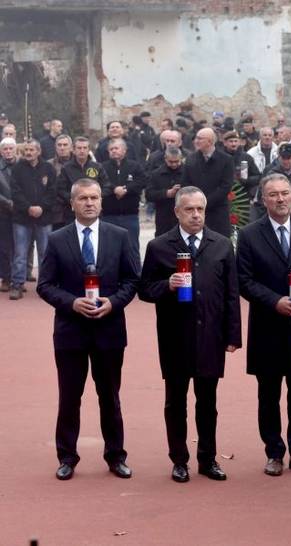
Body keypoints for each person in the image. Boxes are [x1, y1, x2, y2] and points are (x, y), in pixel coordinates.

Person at [37, 178, 140, 480]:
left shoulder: (119, 236)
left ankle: (116, 456)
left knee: (110, 397)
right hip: (70, 332)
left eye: (94, 197)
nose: (89, 203)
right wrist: (71, 303)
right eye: (83, 198)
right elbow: (45, 285)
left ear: (101, 202)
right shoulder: (57, 239)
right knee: (69, 397)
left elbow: (132, 280)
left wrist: (114, 303)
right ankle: (67, 457)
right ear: (72, 204)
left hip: (109, 330)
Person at [138, 186, 242, 482]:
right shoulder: (159, 246)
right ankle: (179, 459)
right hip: (175, 337)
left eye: (200, 209)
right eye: (189, 209)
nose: (195, 215)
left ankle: (207, 459)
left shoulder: (222, 244)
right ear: (177, 212)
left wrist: (232, 335)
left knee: (207, 401)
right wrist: (166, 285)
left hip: (210, 335)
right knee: (175, 402)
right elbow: (144, 290)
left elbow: (231, 294)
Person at [237, 174, 291, 478]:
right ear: (263, 199)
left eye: (285, 193)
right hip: (267, 326)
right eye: (273, 194)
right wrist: (275, 301)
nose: (281, 199)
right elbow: (244, 281)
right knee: (268, 394)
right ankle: (274, 452)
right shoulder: (249, 235)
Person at [9, 139, 56, 300]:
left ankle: (45, 285)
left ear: (39, 151)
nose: (28, 153)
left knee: (45, 253)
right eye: (26, 150)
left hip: (44, 218)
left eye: (31, 150)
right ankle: (17, 285)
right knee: (20, 253)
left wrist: (42, 207)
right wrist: (28, 207)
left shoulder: (48, 168)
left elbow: (53, 191)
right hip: (22, 218)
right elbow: (15, 191)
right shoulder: (17, 169)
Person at [181, 128, 234, 237]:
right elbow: (185, 183)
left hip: (218, 211)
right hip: (195, 211)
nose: (196, 141)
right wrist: (195, 202)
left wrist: (205, 202)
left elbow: (225, 186)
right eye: (196, 138)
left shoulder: (226, 160)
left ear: (209, 141)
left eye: (199, 138)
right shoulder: (191, 159)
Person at [101, 138, 147, 256]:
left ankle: (134, 269)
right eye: (111, 149)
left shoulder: (135, 166)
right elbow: (101, 183)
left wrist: (126, 189)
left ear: (124, 150)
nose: (113, 151)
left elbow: (142, 181)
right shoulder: (102, 167)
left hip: (130, 216)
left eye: (116, 148)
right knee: (109, 251)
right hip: (108, 216)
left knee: (131, 249)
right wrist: (114, 189)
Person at [55, 137, 108, 230]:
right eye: (79, 148)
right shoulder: (66, 168)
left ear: (89, 150)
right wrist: (76, 200)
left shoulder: (97, 167)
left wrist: (94, 198)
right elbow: (60, 189)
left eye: (85, 148)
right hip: (72, 214)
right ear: (73, 150)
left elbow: (107, 186)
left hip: (94, 211)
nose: (82, 151)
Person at [145, 146, 185, 237]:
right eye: (171, 162)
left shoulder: (187, 172)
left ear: (181, 159)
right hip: (163, 218)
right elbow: (149, 194)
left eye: (176, 161)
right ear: (165, 159)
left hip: (183, 217)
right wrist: (166, 193)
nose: (174, 164)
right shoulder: (156, 174)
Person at [0, 138, 17, 291]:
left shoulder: (22, 166)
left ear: (15, 150)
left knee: (20, 247)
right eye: (5, 149)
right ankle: (6, 278)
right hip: (3, 212)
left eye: (11, 148)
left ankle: (18, 279)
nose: (8, 151)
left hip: (21, 212)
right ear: (1, 151)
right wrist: (8, 203)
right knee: (4, 246)